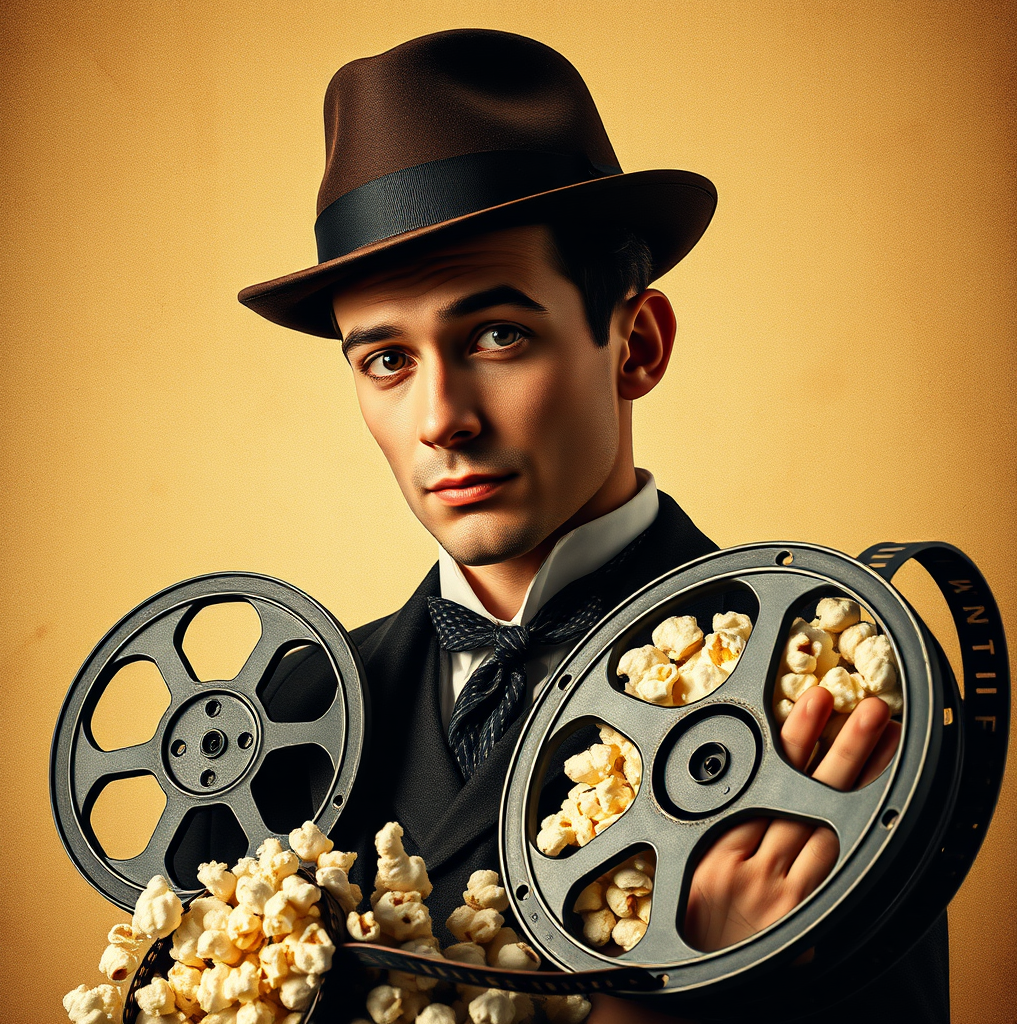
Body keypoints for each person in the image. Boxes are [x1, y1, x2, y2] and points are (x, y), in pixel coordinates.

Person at [238, 29, 948, 1024]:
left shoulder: (824, 673)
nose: (442, 418)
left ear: (636, 344)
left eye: (498, 335)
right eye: (387, 361)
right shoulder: (284, 713)